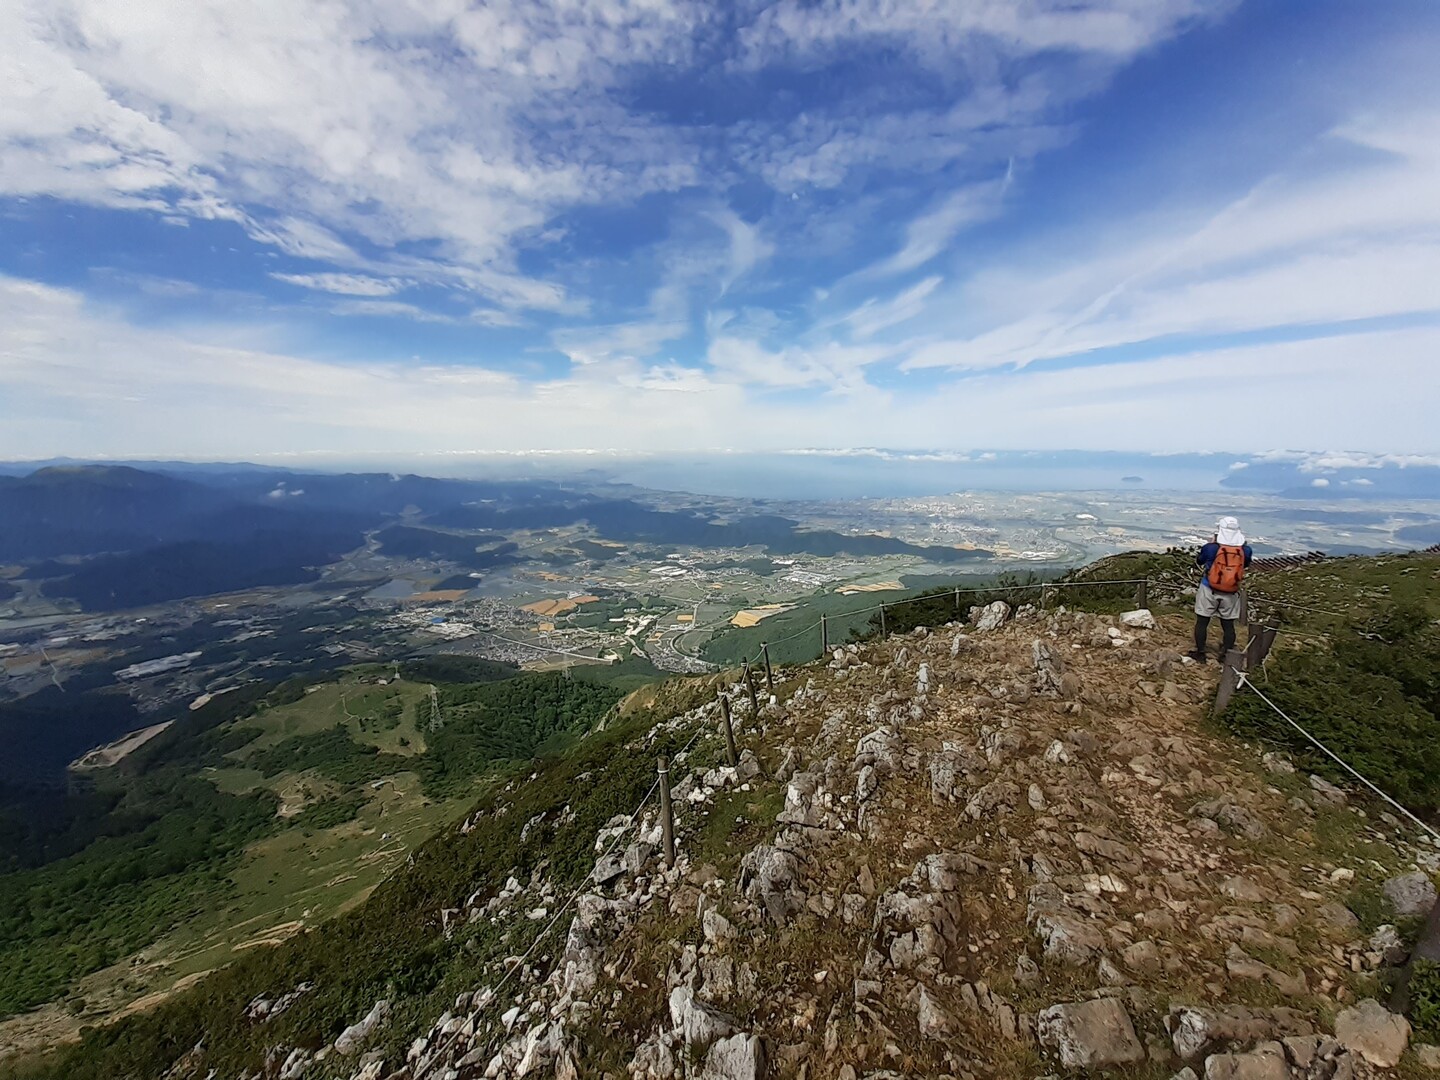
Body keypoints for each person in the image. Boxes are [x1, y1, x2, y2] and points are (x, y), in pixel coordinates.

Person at [1190, 516, 1253, 662]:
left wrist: (1211, 544)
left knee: (1202, 621)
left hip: (1209, 587)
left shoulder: (1211, 548)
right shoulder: (1245, 550)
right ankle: (1226, 655)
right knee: (1228, 624)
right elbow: (1246, 565)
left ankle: (1200, 653)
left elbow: (1199, 560)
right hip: (1231, 591)